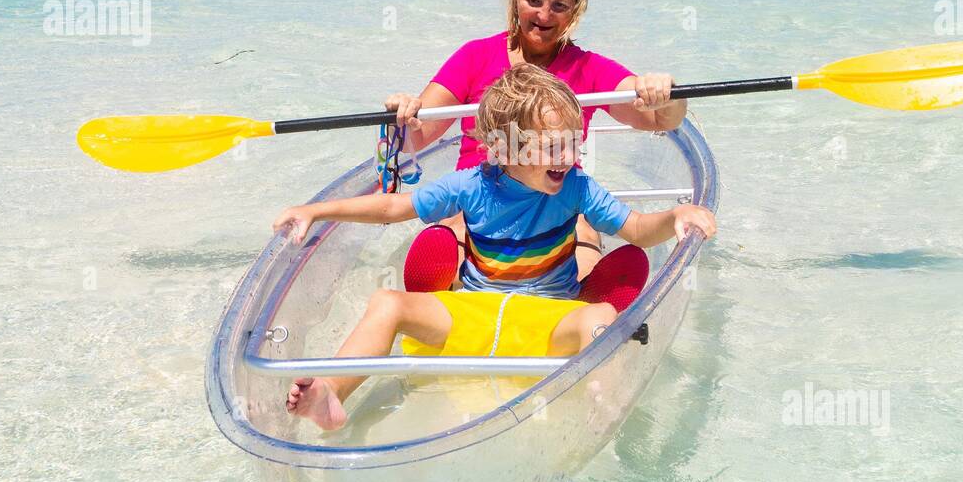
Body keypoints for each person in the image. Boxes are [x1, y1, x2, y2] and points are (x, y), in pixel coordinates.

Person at [274, 64, 716, 431]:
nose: (569, 154)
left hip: (547, 317)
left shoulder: (577, 187)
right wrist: (317, 211)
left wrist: (674, 217)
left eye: (572, 141)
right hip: (474, 311)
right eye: (552, 146)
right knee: (387, 303)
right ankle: (331, 392)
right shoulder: (471, 185)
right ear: (503, 149)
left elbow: (637, 228)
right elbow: (392, 207)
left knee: (599, 317)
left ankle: (600, 408)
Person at [385, 0, 687, 281]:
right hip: (478, 195)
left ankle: (584, 308)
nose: (544, 16)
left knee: (583, 230)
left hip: (554, 195)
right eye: (534, 1)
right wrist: (403, 112)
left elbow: (661, 121)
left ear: (575, 11)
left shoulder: (590, 68)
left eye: (559, 6)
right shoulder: (475, 56)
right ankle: (443, 298)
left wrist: (665, 92)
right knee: (455, 225)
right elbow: (417, 135)